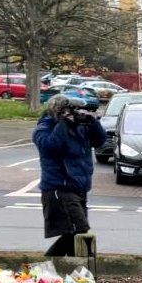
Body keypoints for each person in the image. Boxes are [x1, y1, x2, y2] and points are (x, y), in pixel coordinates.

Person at [33, 94, 106, 256]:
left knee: (73, 235)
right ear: (58, 112)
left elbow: (100, 141)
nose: (75, 114)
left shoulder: (79, 126)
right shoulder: (44, 128)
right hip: (59, 189)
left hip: (79, 188)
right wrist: (64, 123)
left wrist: (92, 122)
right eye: (70, 111)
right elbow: (52, 146)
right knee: (79, 231)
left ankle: (65, 273)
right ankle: (48, 269)